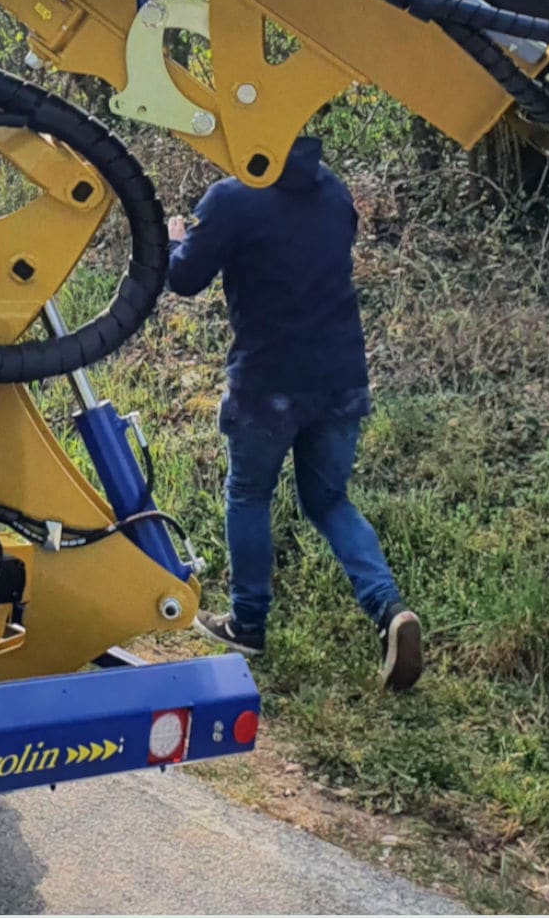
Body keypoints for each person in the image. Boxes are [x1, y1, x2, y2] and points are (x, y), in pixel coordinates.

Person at [166, 135, 422, 691]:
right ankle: (389, 610)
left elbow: (184, 279)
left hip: (268, 382)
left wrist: (175, 239)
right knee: (329, 500)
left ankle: (247, 623)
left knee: (249, 494)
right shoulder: (333, 191)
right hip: (341, 377)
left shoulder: (232, 199)